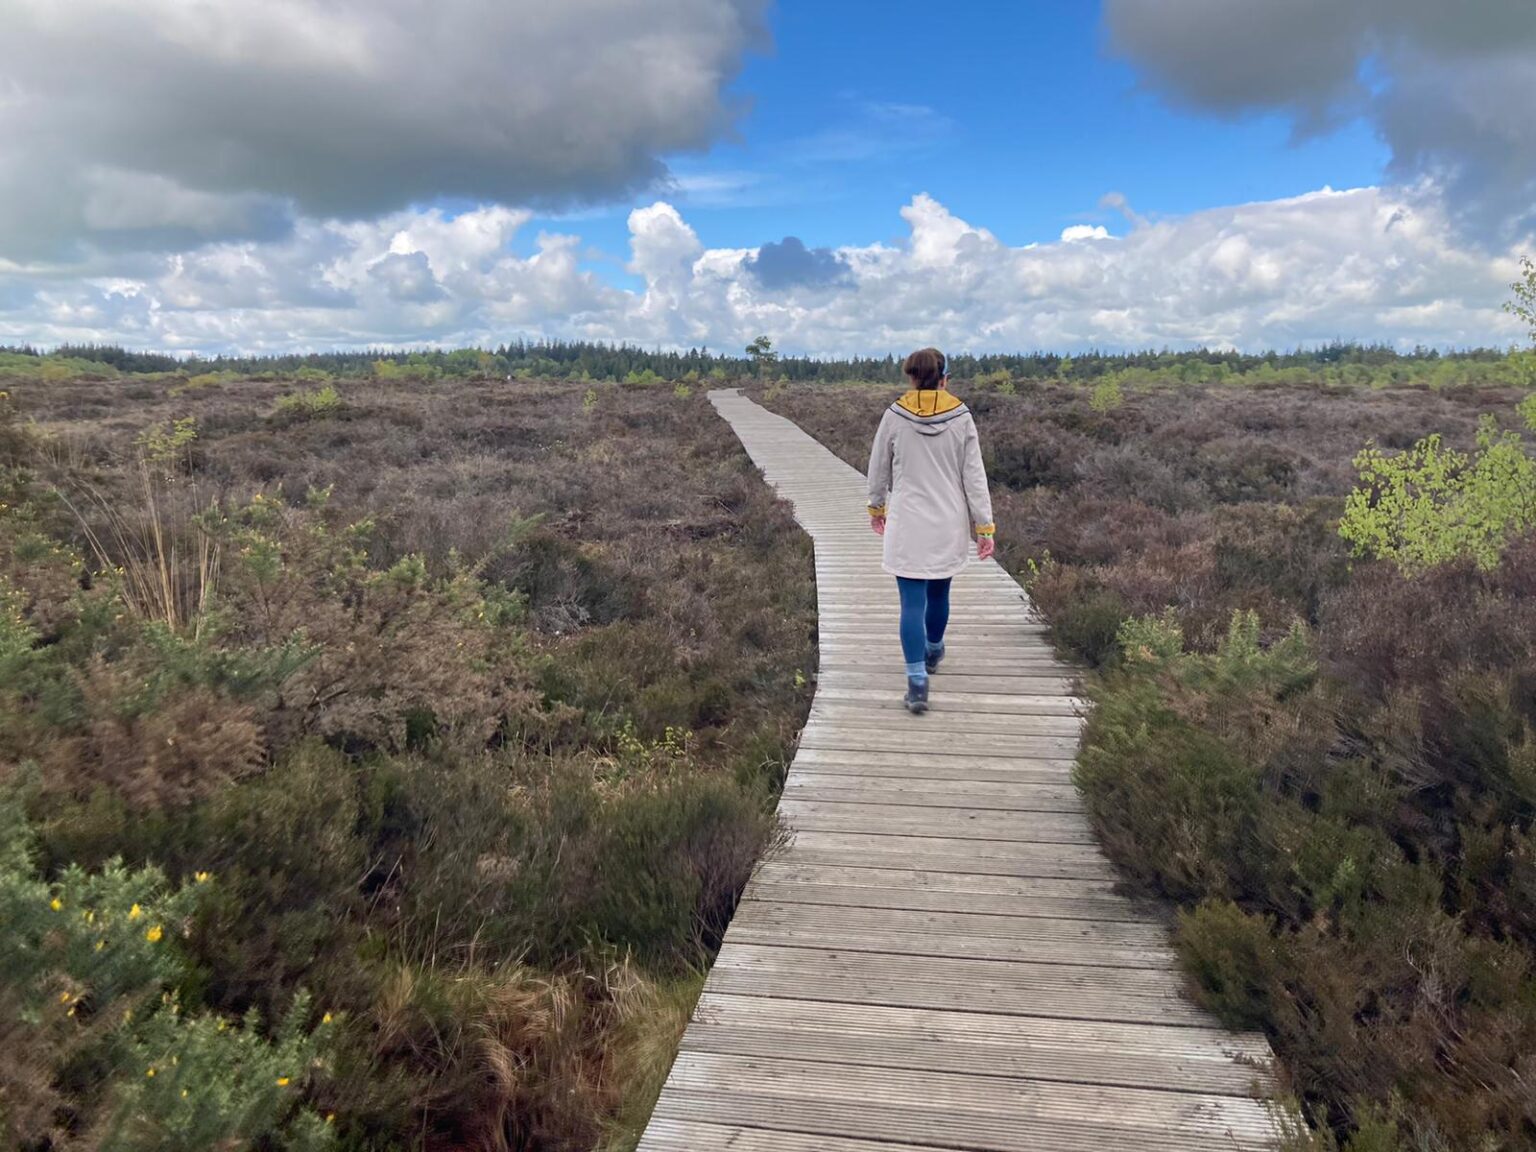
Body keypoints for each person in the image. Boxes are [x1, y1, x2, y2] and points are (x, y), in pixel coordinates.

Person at [866, 347, 996, 714]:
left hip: (907, 521)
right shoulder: (962, 417)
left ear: (910, 377)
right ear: (944, 378)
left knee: (911, 603)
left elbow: (878, 468)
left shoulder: (894, 415)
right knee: (939, 593)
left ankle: (917, 682)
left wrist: (877, 507)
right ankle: (934, 649)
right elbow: (974, 476)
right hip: (947, 522)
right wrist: (983, 526)